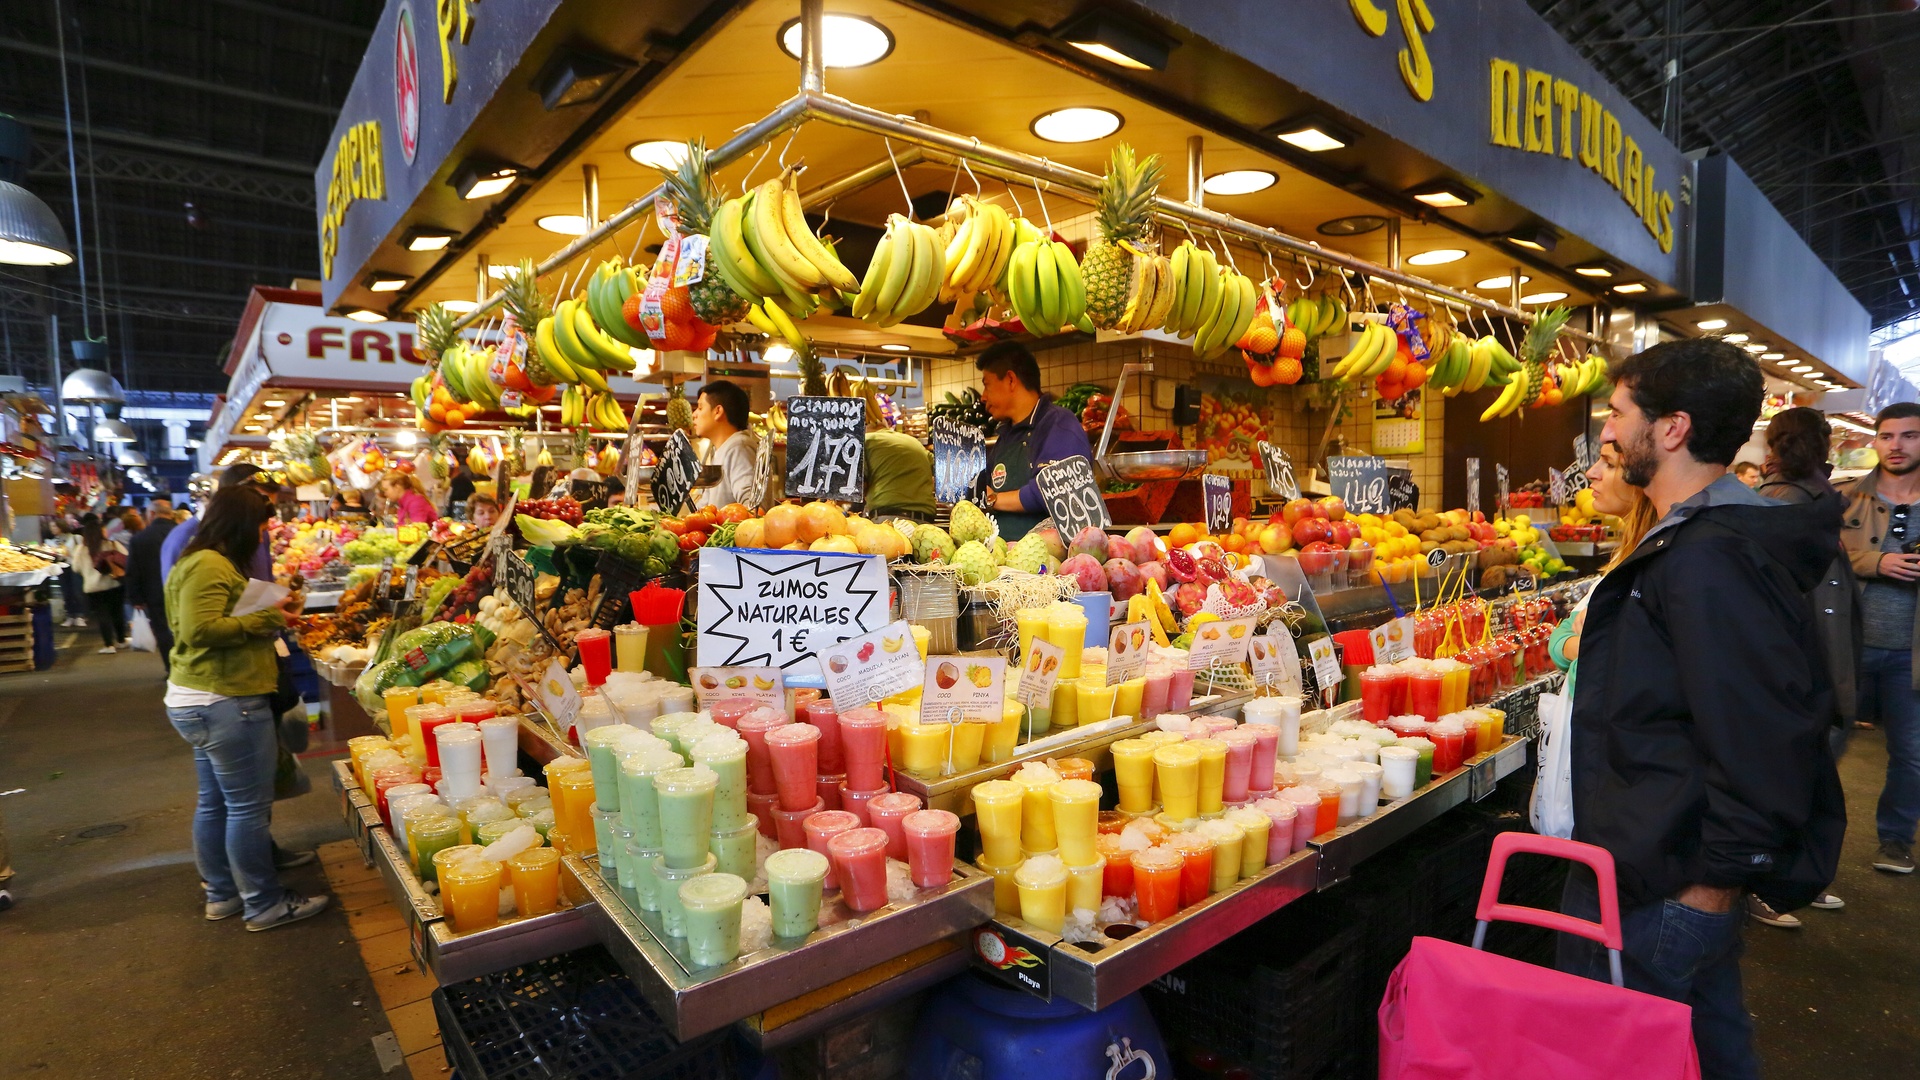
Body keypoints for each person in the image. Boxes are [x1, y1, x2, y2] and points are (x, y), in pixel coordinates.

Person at [1560, 338, 1844, 1080]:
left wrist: (1714, 882)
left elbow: (1763, 733)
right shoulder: (1695, 542)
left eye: (1619, 414)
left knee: (1622, 1059)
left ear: (1674, 427)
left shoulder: (1709, 557)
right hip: (1661, 863)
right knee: (1712, 1052)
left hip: (1666, 880)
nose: (1609, 434)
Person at [165, 485, 327, 931]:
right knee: (246, 810)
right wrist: (270, 617)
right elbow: (200, 630)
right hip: (225, 701)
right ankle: (263, 903)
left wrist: (267, 605)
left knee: (217, 804)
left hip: (202, 698)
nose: (260, 539)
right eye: (258, 529)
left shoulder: (197, 561)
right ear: (240, 526)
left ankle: (222, 895)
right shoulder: (208, 565)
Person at [1744, 406, 1856, 924]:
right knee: (1795, 768)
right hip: (1798, 652)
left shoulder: (1793, 497)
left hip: (1804, 649)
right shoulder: (1790, 501)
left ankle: (1784, 876)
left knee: (1804, 764)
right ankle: (1773, 881)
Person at [1840, 401, 1920, 876]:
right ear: (1874, 441)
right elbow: (1823, 559)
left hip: (1910, 656)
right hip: (1850, 646)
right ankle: (1801, 842)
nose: (1897, 446)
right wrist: (1876, 563)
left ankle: (1895, 840)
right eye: (1888, 436)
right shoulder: (1846, 498)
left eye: (1909, 436)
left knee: (1910, 754)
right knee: (1823, 743)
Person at [970, 341, 1095, 539]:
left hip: (1048, 564)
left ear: (1011, 379)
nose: (983, 397)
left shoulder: (1059, 424)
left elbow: (1052, 492)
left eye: (987, 385)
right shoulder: (1006, 435)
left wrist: (993, 499)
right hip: (1003, 562)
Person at [165, 464, 273, 581]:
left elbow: (265, 578)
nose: (266, 515)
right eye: (258, 505)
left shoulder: (259, 531)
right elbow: (176, 590)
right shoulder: (182, 538)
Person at [123, 498, 179, 674]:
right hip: (184, 591)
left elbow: (133, 570)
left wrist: (136, 598)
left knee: (163, 631)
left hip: (156, 593)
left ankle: (172, 670)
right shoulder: (182, 534)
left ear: (152, 514)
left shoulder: (140, 539)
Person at [863, 389, 936, 521]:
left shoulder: (866, 441)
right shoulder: (913, 441)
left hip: (887, 517)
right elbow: (938, 469)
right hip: (926, 519)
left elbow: (860, 485)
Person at [692, 379, 762, 510]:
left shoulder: (739, 447)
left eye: (700, 407)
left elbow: (752, 507)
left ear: (718, 411)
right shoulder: (721, 450)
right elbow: (705, 507)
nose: (694, 414)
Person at [71, 513, 129, 654]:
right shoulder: (111, 544)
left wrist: (87, 572)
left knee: (102, 615)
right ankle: (121, 640)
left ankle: (109, 645)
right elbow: (125, 558)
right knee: (117, 612)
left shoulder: (81, 549)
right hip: (113, 584)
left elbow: (75, 568)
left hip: (93, 587)